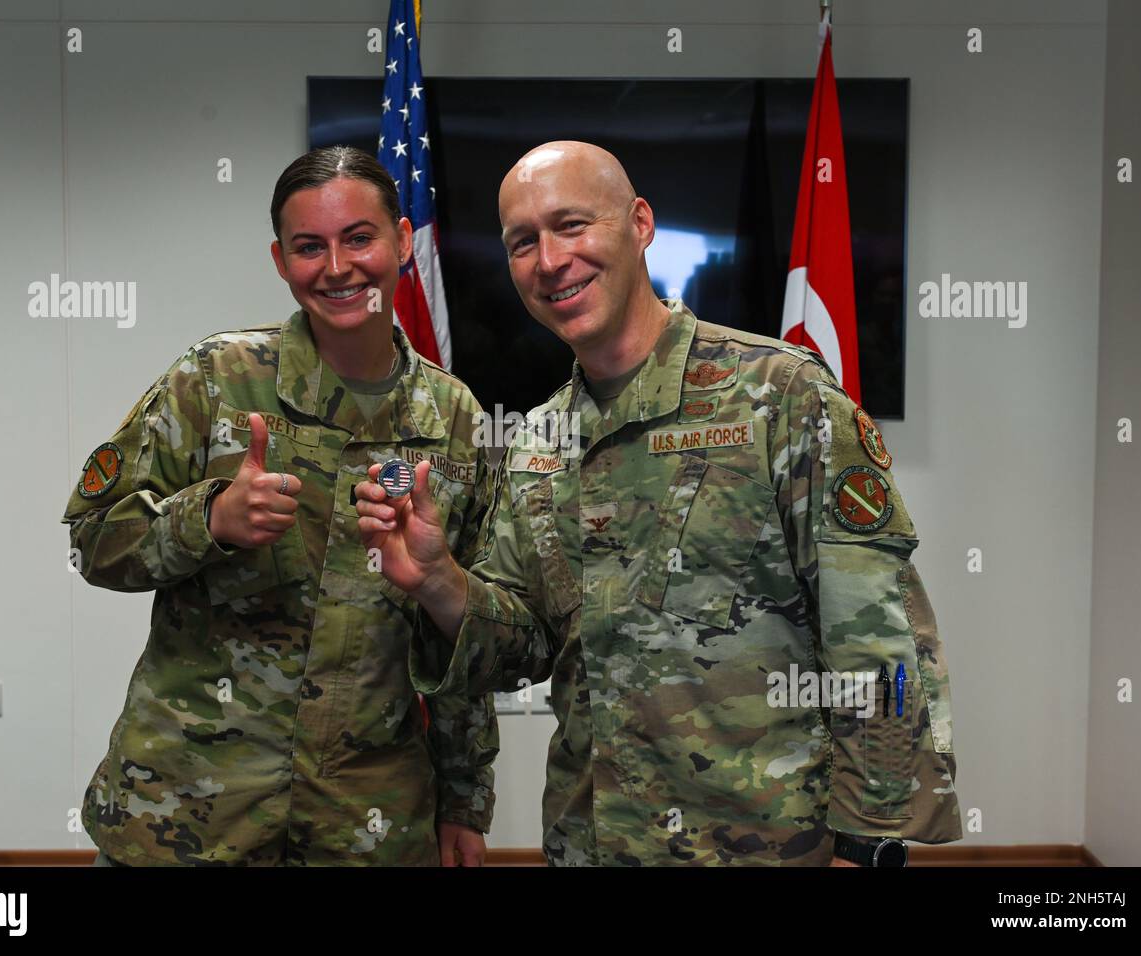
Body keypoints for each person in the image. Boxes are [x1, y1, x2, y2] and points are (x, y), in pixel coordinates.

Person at [355, 141, 961, 866]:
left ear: (639, 224)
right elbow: (528, 645)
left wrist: (867, 844)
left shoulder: (781, 397)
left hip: (771, 848)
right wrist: (439, 583)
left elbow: (879, 639)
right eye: (523, 242)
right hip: (593, 843)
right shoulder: (537, 440)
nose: (549, 261)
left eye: (571, 225)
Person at [62, 146, 498, 866]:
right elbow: (90, 540)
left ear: (400, 239)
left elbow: (462, 637)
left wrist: (465, 799)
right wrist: (207, 521)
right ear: (279, 260)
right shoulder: (214, 380)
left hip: (366, 822)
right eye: (308, 247)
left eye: (359, 237)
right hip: (189, 810)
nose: (336, 268)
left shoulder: (455, 420)